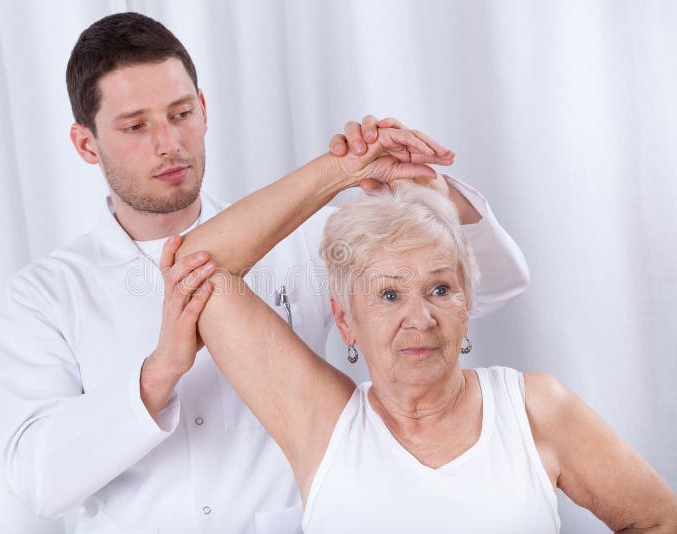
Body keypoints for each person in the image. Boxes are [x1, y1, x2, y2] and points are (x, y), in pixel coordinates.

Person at [0, 11, 529, 533]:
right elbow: (38, 482)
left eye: (181, 114)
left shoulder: (305, 242)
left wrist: (431, 188)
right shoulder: (46, 293)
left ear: (204, 109)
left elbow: (499, 286)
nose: (169, 144)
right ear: (87, 143)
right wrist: (159, 372)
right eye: (135, 126)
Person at [170, 127, 677, 532]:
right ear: (345, 320)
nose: (421, 318)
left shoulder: (534, 408)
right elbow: (195, 263)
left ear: (467, 303)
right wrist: (345, 169)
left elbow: (659, 519)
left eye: (440, 289)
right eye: (389, 295)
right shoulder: (322, 421)